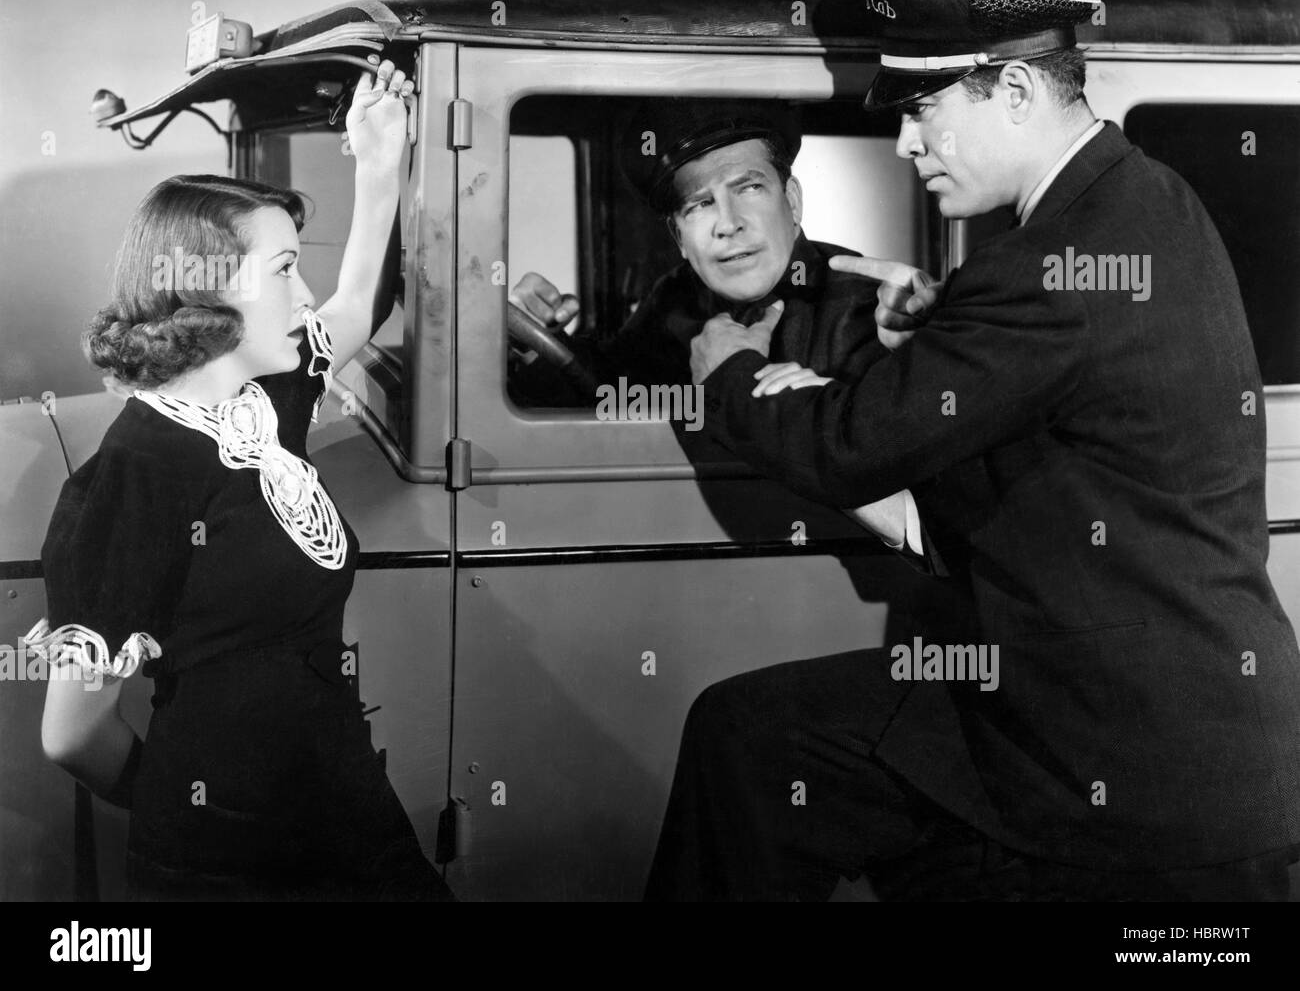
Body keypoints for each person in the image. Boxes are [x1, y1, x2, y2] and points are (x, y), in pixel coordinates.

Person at [649, 0, 1300, 901]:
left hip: (1121, 767)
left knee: (751, 739)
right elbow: (1073, 447)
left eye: (923, 108)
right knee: (758, 738)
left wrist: (733, 372)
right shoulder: (1142, 202)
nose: (907, 142)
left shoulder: (1046, 265)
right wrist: (934, 345)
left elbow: (841, 448)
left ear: (1021, 91)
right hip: (1158, 724)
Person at [26, 57, 453, 901]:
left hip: (351, 817)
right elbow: (72, 736)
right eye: (287, 269)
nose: (305, 296)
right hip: (228, 864)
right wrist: (200, 816)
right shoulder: (134, 475)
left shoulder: (264, 398)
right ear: (210, 291)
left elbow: (359, 303)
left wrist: (379, 164)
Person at [509, 100, 926, 550]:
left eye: (748, 189)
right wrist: (537, 344)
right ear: (679, 239)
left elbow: (883, 469)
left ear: (792, 201)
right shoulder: (677, 300)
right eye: (700, 204)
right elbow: (611, 391)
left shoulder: (865, 305)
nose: (728, 224)